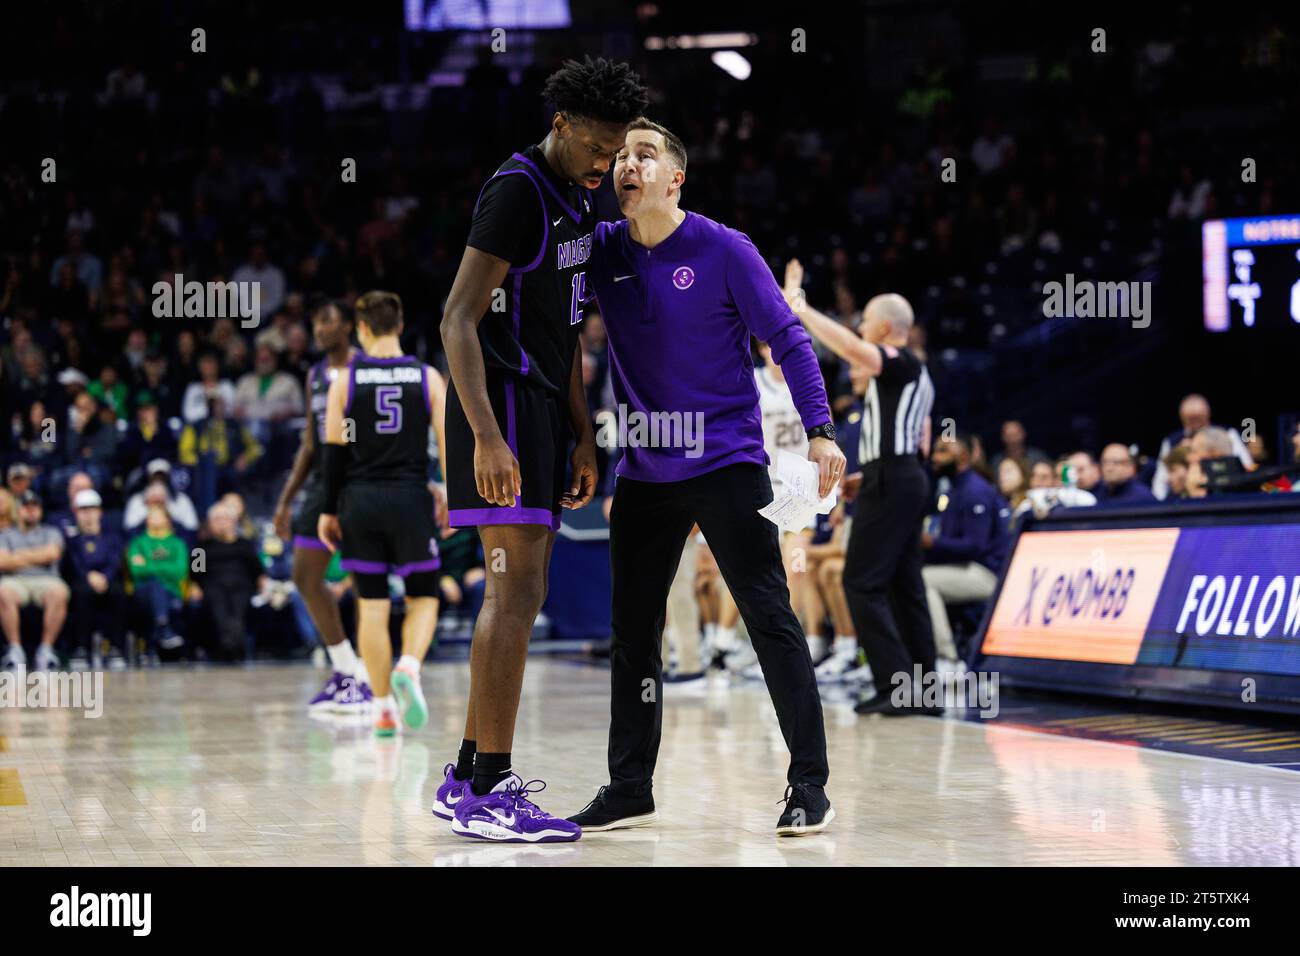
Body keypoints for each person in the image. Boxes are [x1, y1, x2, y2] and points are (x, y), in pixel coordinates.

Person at [567, 118, 843, 837]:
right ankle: (629, 785)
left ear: (675, 176)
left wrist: (820, 431)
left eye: (645, 155)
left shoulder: (724, 248)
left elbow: (787, 336)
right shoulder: (601, 251)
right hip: (646, 471)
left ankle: (809, 785)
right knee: (634, 632)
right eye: (620, 156)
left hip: (726, 461)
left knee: (769, 619)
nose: (629, 164)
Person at [437, 57, 647, 843]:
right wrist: (488, 437)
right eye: (597, 146)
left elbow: (563, 333)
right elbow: (456, 319)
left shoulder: (574, 198)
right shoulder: (519, 188)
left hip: (546, 411)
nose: (606, 164)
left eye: (616, 149)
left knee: (520, 594)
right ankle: (489, 788)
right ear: (561, 125)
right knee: (512, 595)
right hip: (499, 406)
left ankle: (465, 773)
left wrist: (583, 431)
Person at [784, 262, 938, 717]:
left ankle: (894, 685)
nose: (860, 328)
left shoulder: (901, 361)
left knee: (861, 582)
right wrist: (867, 478)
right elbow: (919, 441)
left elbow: (852, 348)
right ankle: (922, 689)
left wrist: (803, 309)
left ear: (886, 328)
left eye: (866, 321)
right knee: (904, 585)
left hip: (894, 480)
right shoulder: (914, 373)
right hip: (898, 477)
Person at [317, 291, 446, 738]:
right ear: (400, 323)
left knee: (370, 607)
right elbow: (448, 447)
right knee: (424, 595)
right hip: (410, 498)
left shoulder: (343, 380)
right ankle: (408, 666)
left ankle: (383, 707)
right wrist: (447, 494)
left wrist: (327, 511)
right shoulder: (427, 378)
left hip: (360, 500)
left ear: (361, 329)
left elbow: (332, 454)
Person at [271, 299, 372, 712]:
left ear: (349, 325)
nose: (319, 327)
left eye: (327, 318)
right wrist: (284, 501)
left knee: (369, 582)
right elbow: (310, 445)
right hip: (320, 484)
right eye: (316, 320)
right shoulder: (314, 374)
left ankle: (374, 681)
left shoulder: (369, 368)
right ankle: (348, 669)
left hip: (362, 481)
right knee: (304, 575)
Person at [921, 432, 1010, 663]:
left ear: (962, 456)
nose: (935, 457)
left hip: (988, 574)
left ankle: (947, 658)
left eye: (943, 451)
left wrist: (931, 542)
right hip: (964, 568)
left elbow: (974, 546)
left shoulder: (974, 490)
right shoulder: (953, 489)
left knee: (923, 580)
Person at [0, 491, 69, 671]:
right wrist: (38, 555)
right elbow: (2, 561)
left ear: (40, 510)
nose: (30, 511)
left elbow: (52, 554)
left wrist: (18, 556)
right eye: (26, 507)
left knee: (59, 592)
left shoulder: (51, 531)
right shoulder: (6, 533)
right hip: (15, 581)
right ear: (18, 510)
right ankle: (15, 650)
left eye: (34, 507)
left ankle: (46, 650)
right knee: (3, 592)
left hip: (46, 580)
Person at [63, 488, 126, 667]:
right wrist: (88, 576)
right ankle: (82, 649)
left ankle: (115, 648)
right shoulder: (72, 539)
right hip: (83, 580)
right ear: (76, 513)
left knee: (118, 592)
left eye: (91, 509)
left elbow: (115, 559)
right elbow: (73, 563)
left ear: (99, 511)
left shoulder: (111, 536)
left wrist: (105, 577)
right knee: (81, 593)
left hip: (108, 580)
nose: (88, 515)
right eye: (83, 510)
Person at [1151, 394, 1253, 499]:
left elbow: (1247, 467)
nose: (1194, 424)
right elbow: (1160, 482)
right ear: (1182, 417)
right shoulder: (1172, 440)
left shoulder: (1227, 434)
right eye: (1190, 419)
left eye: (1198, 418)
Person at [127, 506, 190, 660]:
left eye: (158, 515)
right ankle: (163, 626)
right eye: (150, 516)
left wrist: (149, 565)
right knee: (155, 586)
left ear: (167, 520)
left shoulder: (178, 543)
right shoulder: (137, 543)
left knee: (157, 586)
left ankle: (154, 644)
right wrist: (166, 569)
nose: (152, 519)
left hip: (172, 591)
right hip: (143, 591)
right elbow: (136, 571)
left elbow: (180, 571)